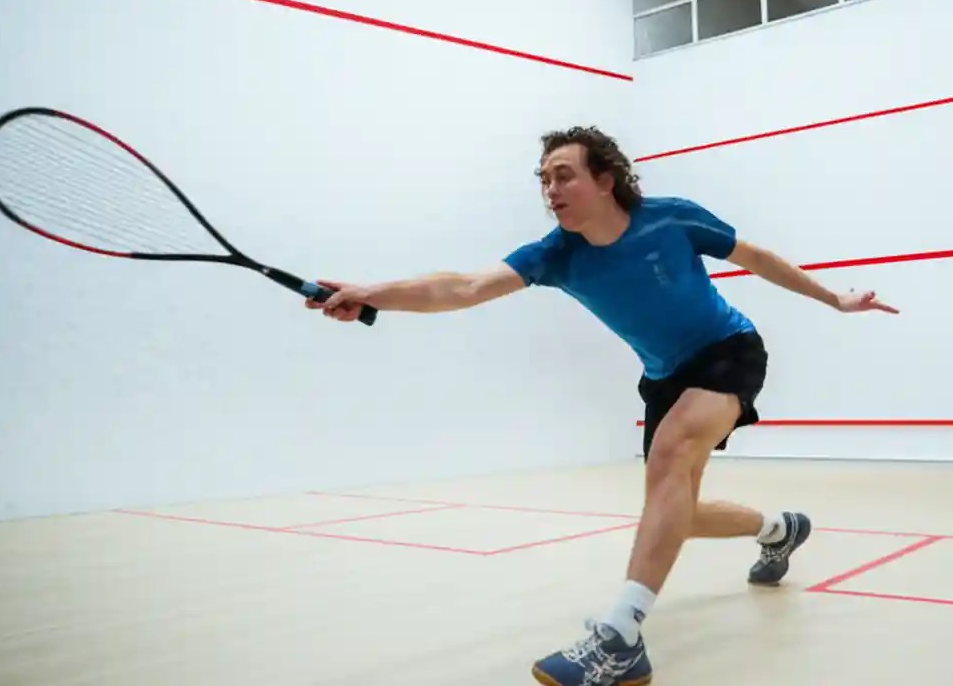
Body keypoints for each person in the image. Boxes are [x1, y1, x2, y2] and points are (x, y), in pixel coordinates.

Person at [307, 126, 899, 686]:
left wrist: (834, 299)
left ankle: (620, 637)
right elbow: (463, 287)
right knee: (676, 513)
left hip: (729, 351)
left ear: (605, 180)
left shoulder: (670, 217)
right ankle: (779, 529)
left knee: (670, 458)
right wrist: (369, 292)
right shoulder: (557, 254)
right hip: (664, 378)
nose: (550, 190)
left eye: (563, 175)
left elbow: (755, 257)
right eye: (543, 179)